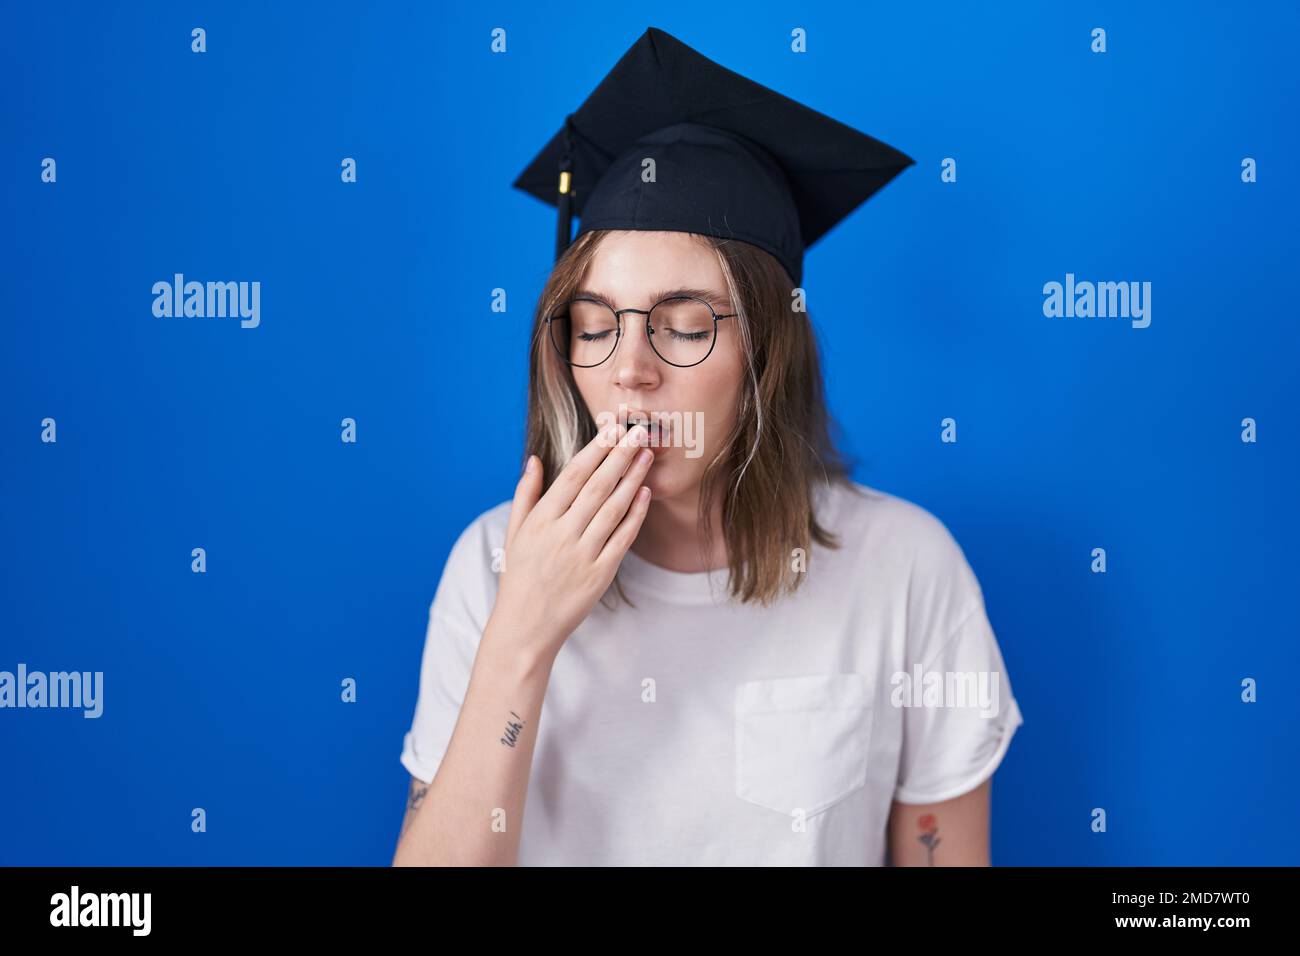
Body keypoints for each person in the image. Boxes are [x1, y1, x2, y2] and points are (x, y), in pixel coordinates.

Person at [392, 27, 1024, 866]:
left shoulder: (907, 570)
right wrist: (521, 637)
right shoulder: (488, 567)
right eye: (593, 327)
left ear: (768, 351)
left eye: (685, 326)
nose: (630, 371)